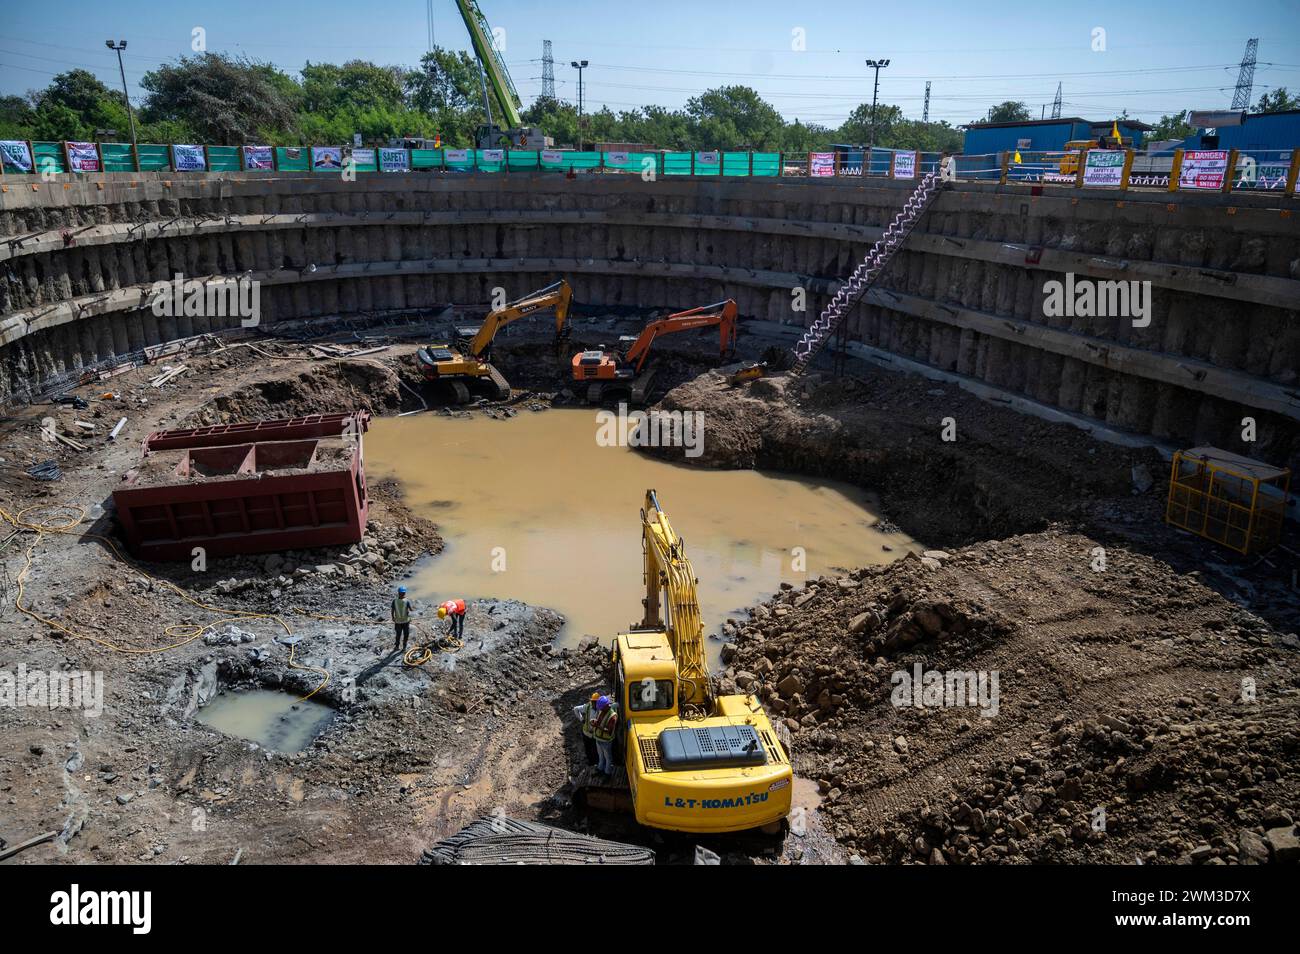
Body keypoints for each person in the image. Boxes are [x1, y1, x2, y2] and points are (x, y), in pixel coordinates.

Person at [590, 694, 619, 776]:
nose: (601, 710)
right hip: (598, 739)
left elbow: (609, 731)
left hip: (606, 741)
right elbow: (599, 721)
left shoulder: (613, 716)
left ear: (606, 706)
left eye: (602, 708)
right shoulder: (602, 710)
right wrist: (595, 721)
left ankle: (607, 773)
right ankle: (600, 769)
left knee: (608, 758)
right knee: (601, 756)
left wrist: (597, 726)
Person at [571, 692, 601, 766]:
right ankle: (590, 763)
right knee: (588, 749)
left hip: (595, 735)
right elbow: (575, 709)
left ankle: (596, 763)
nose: (594, 703)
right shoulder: (587, 707)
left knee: (595, 750)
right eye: (593, 702)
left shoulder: (601, 708)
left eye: (595, 702)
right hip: (586, 733)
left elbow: (610, 706)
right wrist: (581, 719)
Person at [390, 585, 414, 652]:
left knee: (398, 634)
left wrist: (393, 617)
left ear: (398, 593)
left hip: (398, 622)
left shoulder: (394, 601)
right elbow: (411, 610)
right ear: (404, 593)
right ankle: (404, 647)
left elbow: (392, 610)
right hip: (406, 621)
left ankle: (397, 646)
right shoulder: (407, 601)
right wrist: (411, 609)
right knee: (406, 635)